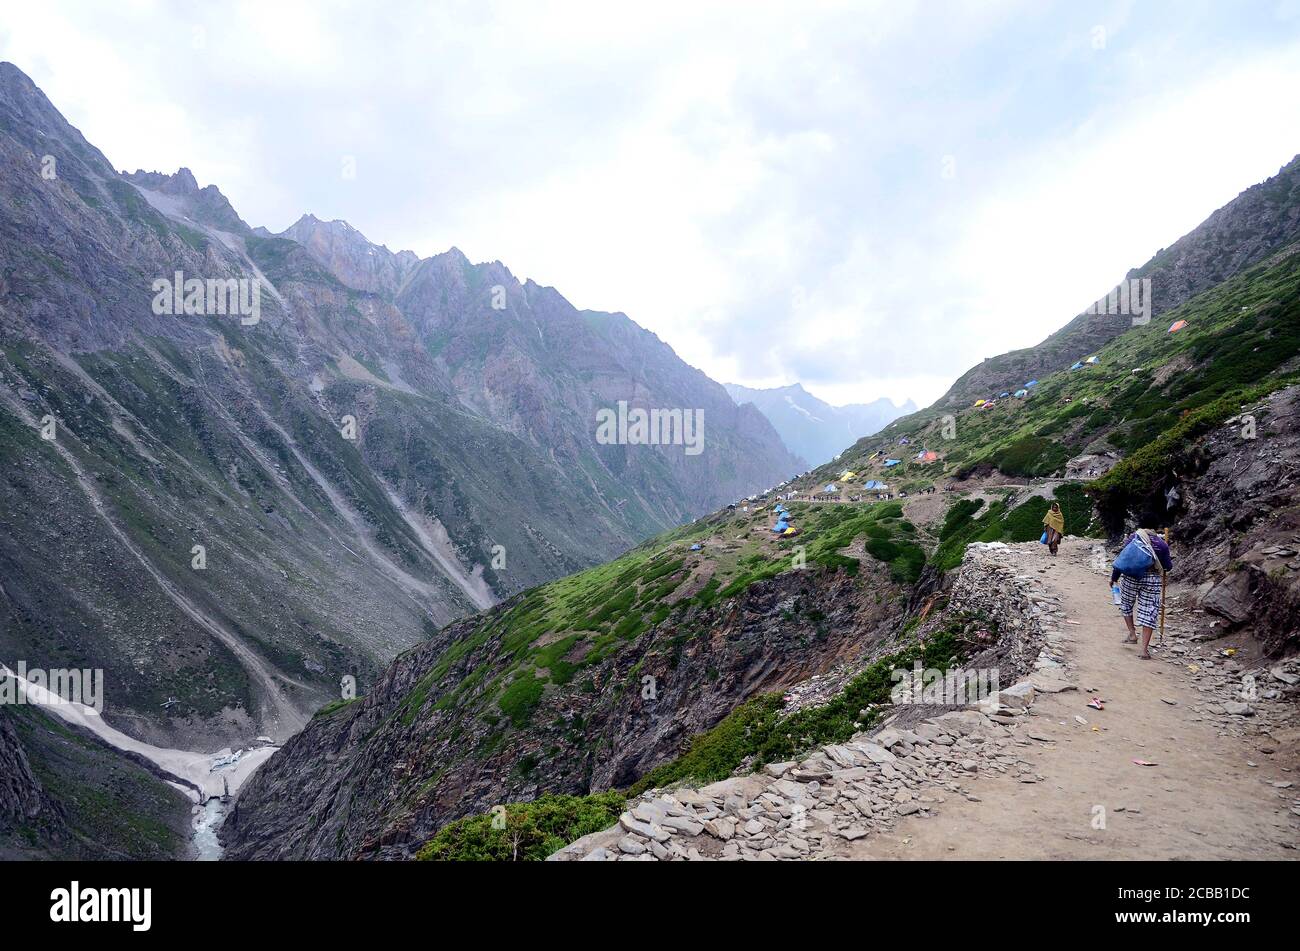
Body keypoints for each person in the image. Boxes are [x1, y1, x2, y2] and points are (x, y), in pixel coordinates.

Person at [1111, 526, 1173, 660]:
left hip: (1130, 577)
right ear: (1156, 528)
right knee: (1149, 610)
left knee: (1126, 605)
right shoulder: (1161, 544)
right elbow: (1168, 566)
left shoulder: (1132, 538)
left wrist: (1114, 578)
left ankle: (1132, 634)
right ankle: (1144, 650)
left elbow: (1123, 559)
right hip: (1152, 579)